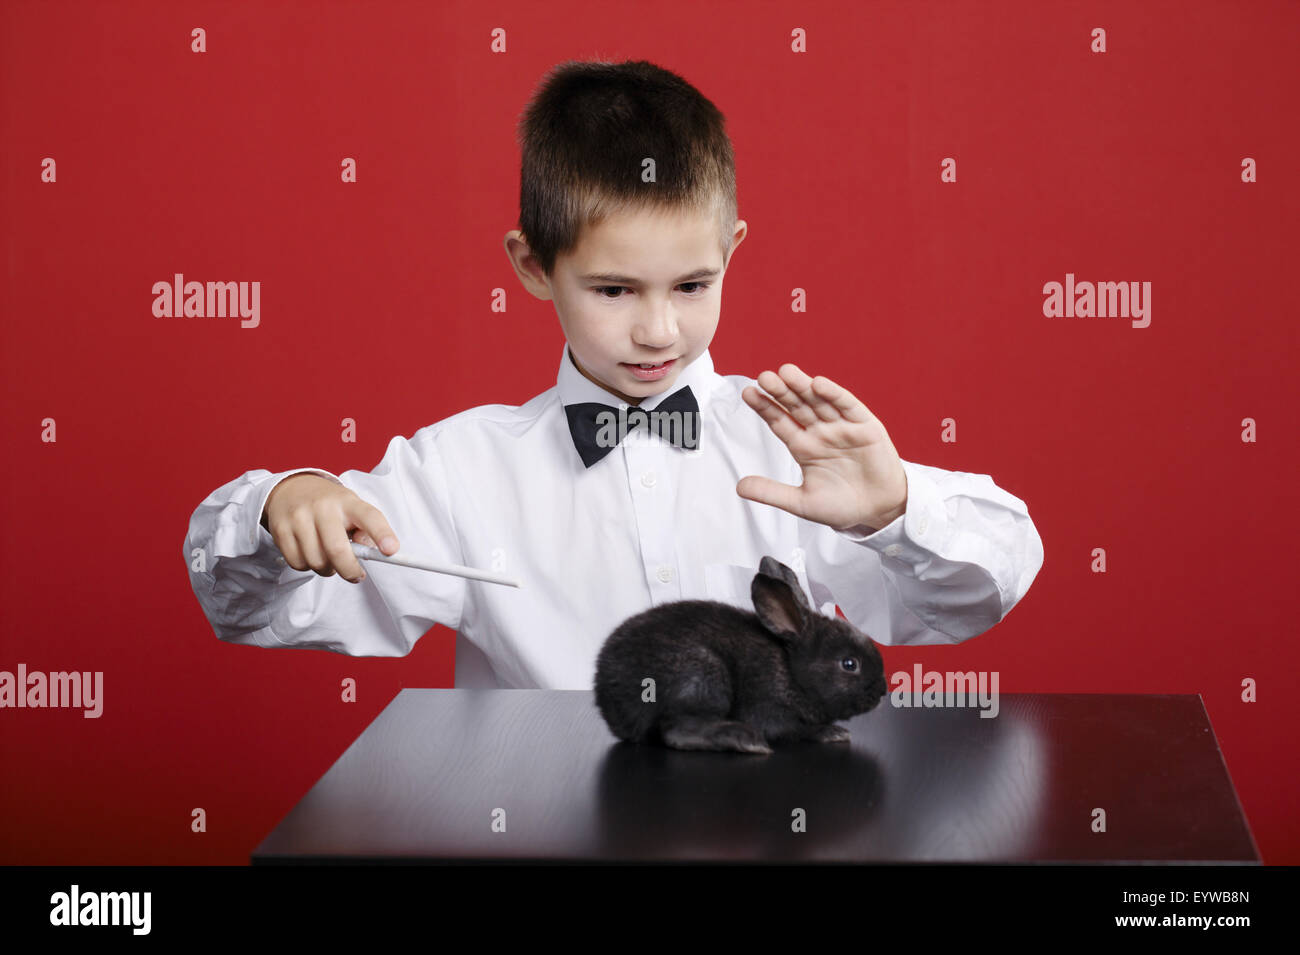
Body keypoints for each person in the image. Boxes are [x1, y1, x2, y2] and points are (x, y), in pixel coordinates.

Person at [183, 59, 1044, 689]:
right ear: (531, 264)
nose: (658, 328)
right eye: (613, 288)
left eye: (692, 285)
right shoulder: (462, 471)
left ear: (732, 252)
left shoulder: (793, 449)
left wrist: (892, 513)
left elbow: (987, 586)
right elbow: (251, 610)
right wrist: (278, 503)